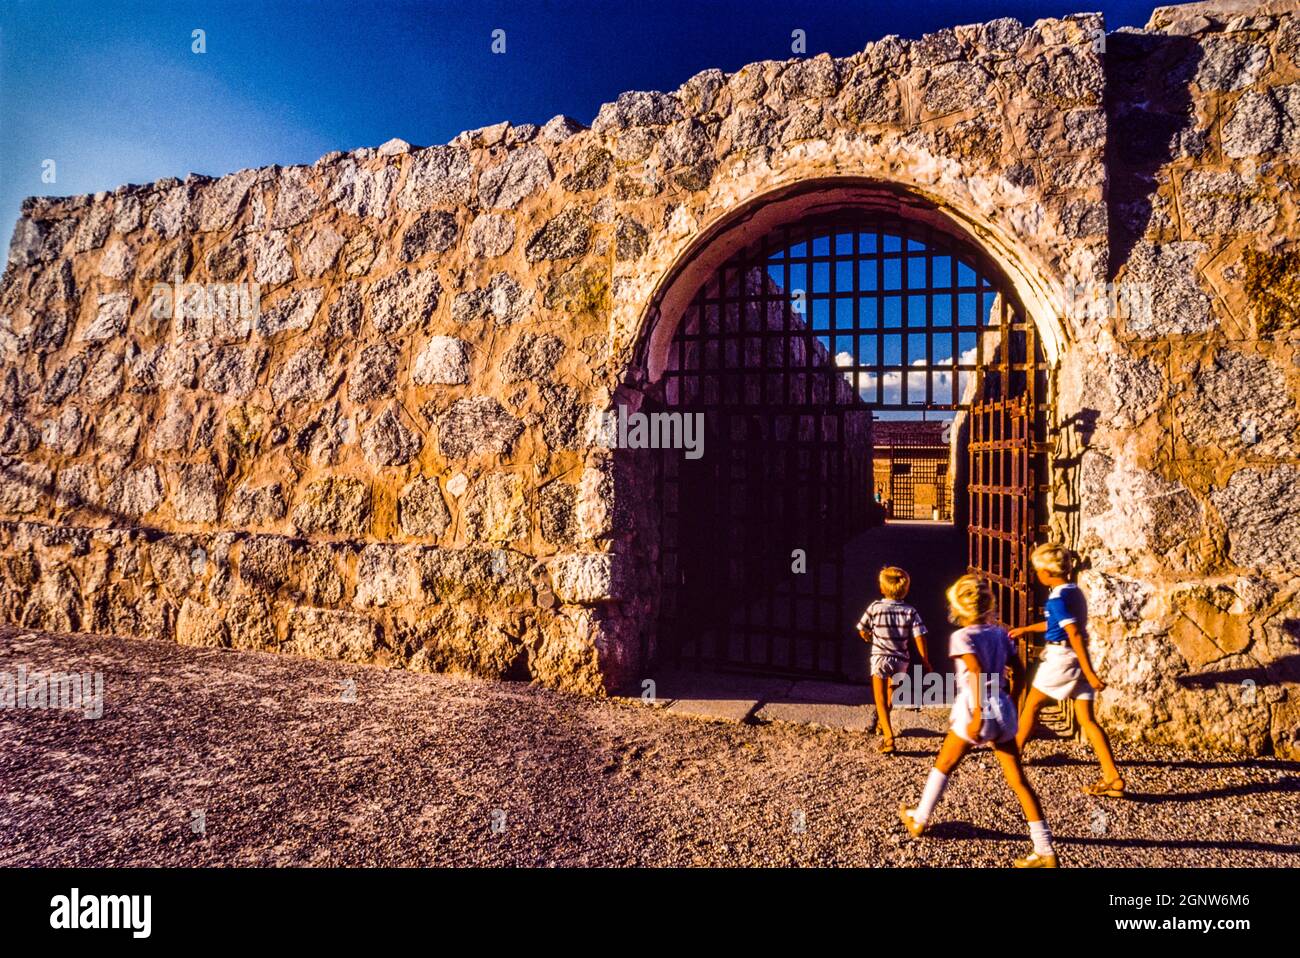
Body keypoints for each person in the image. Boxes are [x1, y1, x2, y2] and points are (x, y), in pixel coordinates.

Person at [899, 574, 1058, 868]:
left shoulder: (961, 637)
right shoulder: (999, 633)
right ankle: (1044, 848)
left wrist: (978, 715)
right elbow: (1020, 670)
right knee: (1019, 780)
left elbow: (974, 671)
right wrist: (1012, 698)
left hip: (975, 710)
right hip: (1002, 708)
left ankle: (920, 818)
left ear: (957, 608)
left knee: (944, 765)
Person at [1013, 543, 1125, 798]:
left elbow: (1072, 633)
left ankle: (1014, 754)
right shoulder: (1074, 592)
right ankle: (1112, 775)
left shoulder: (1055, 599)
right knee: (1087, 720)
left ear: (1046, 573)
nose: (1036, 575)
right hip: (1076, 658)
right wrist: (1027, 630)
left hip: (1061, 659)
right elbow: (1060, 625)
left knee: (1032, 705)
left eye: (1037, 571)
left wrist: (1091, 674)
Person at [856, 566, 930, 755]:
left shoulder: (875, 607)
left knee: (879, 699)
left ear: (882, 588)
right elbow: (919, 636)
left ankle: (888, 737)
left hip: (880, 658)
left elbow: (862, 629)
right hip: (901, 661)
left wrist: (868, 636)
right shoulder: (910, 611)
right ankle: (883, 722)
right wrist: (925, 660)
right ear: (906, 590)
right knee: (890, 696)